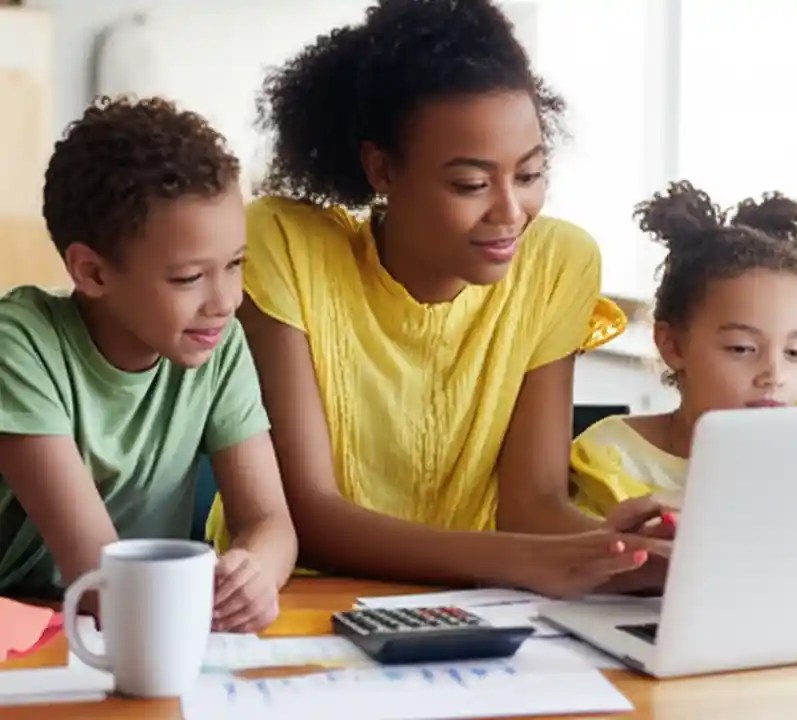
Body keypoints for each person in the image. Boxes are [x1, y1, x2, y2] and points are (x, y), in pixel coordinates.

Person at [203, 0, 668, 598]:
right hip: (289, 601)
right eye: (470, 184)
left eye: (529, 175)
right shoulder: (285, 246)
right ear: (382, 170)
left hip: (473, 606)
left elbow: (533, 506)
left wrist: (627, 553)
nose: (510, 213)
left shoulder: (559, 262)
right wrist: (524, 560)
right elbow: (311, 516)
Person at [0, 96, 296, 633]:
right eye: (189, 278)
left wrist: (255, 572)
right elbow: (100, 577)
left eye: (235, 264)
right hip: (33, 629)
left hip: (132, 621)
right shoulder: (19, 345)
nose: (226, 300)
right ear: (92, 272)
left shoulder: (218, 344)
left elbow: (271, 523)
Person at [572, 181, 797, 516]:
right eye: (742, 349)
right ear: (673, 345)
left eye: (795, 353)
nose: (774, 376)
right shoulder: (611, 457)